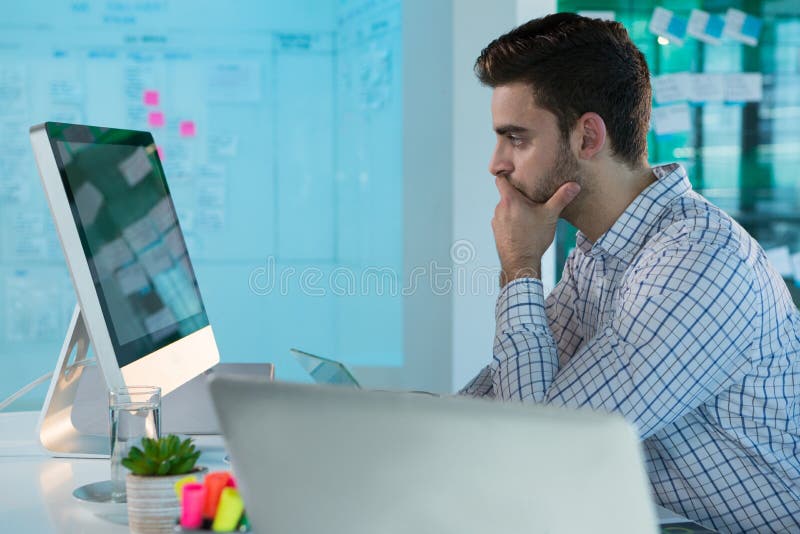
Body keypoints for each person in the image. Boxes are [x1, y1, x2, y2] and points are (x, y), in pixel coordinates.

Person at [459, 12, 800, 533]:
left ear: (588, 138)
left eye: (516, 139)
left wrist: (521, 267)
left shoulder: (700, 260)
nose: (496, 163)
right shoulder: (600, 255)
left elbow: (538, 453)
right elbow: (502, 408)